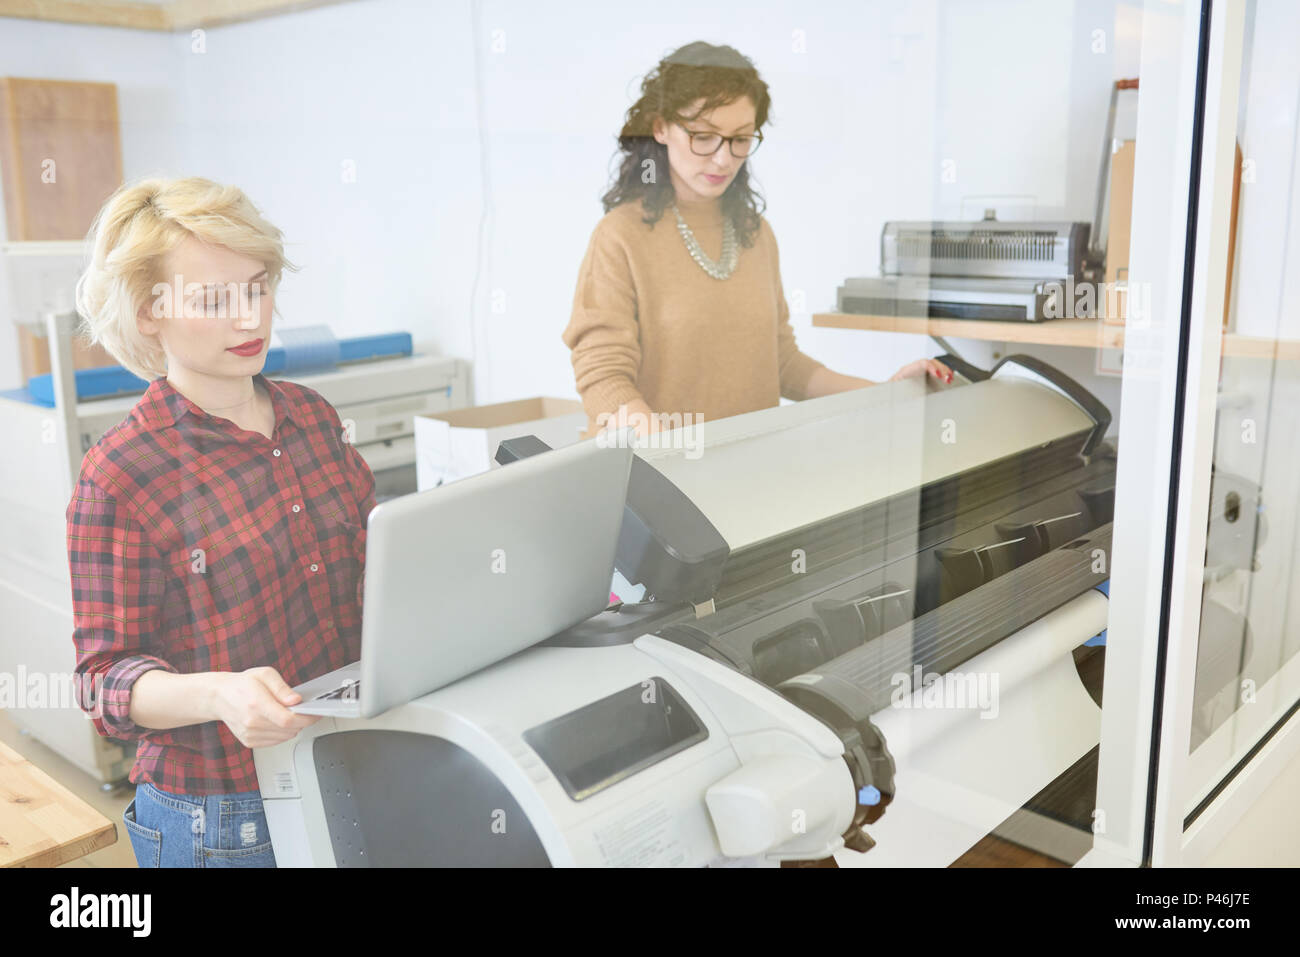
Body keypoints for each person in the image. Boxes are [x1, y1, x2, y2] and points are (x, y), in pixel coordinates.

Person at [67, 177, 375, 867]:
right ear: (149, 313)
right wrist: (221, 692)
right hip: (222, 815)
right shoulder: (122, 473)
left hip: (341, 763)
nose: (250, 319)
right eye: (214, 300)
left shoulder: (311, 417)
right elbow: (103, 681)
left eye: (258, 287)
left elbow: (377, 561)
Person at [562, 41, 951, 437]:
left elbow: (781, 363)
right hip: (652, 475)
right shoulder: (620, 235)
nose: (723, 158)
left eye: (740, 139)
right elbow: (603, 374)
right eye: (703, 136)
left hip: (741, 471)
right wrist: (666, 447)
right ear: (660, 127)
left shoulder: (755, 235)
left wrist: (888, 394)